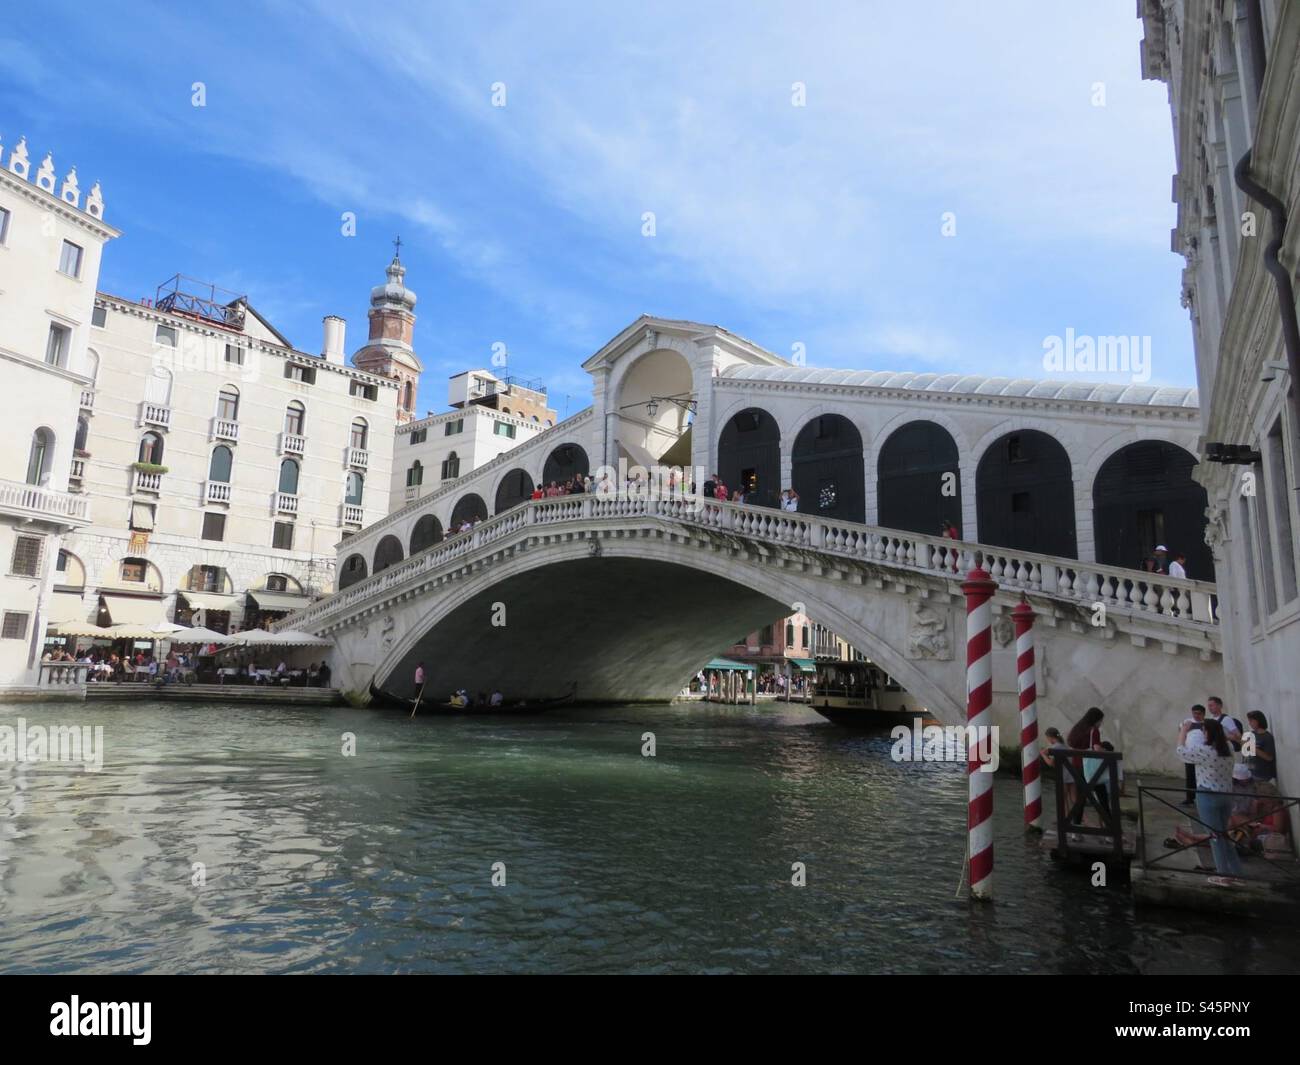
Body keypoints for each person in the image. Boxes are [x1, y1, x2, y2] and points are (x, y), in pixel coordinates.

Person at [1177, 717, 1243, 881]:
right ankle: (1237, 873)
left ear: (1207, 733)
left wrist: (1183, 731)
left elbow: (1180, 752)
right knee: (1224, 836)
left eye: (1204, 730)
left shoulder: (1205, 750)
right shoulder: (1227, 747)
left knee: (1215, 837)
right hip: (1226, 796)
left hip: (1208, 796)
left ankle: (1223, 876)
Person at [1066, 707, 1105, 825]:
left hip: (1076, 766)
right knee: (1102, 798)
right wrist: (1105, 750)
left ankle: (1075, 830)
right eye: (1101, 720)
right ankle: (1110, 831)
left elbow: (1070, 743)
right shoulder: (1094, 730)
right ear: (1096, 719)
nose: (1101, 723)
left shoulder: (1077, 729)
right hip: (1091, 768)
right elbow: (1097, 749)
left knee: (1080, 799)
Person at [1245, 711, 1277, 794]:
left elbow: (1269, 757)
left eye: (1251, 721)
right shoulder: (1251, 734)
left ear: (1258, 721)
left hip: (1262, 775)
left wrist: (1252, 748)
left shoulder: (1267, 737)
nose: (1249, 723)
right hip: (1251, 772)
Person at [1180, 704, 1206, 805]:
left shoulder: (1207, 723)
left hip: (1203, 755)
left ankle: (1201, 797)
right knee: (1190, 777)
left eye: (1199, 714)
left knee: (1202, 777)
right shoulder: (1187, 722)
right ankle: (1190, 798)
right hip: (1189, 755)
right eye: (1194, 713)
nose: (1196, 716)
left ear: (1203, 714)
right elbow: (1181, 732)